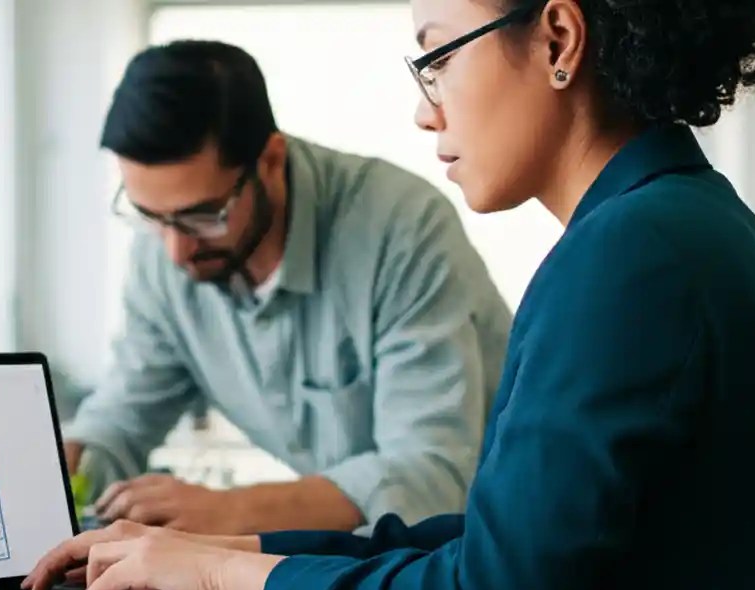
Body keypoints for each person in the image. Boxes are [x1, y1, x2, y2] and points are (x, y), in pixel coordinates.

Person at [26, 0, 755, 590]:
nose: (425, 109)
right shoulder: (691, 225)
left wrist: (229, 576)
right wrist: (231, 551)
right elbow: (494, 545)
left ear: (559, 40)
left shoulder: (628, 258)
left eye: (438, 59)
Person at [64, 40, 512, 535]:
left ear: (272, 160)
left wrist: (229, 512)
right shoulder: (167, 251)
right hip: (367, 564)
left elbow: (432, 478)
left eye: (203, 216)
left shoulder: (400, 229)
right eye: (151, 217)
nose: (176, 252)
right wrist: (67, 464)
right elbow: (125, 416)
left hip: (497, 547)